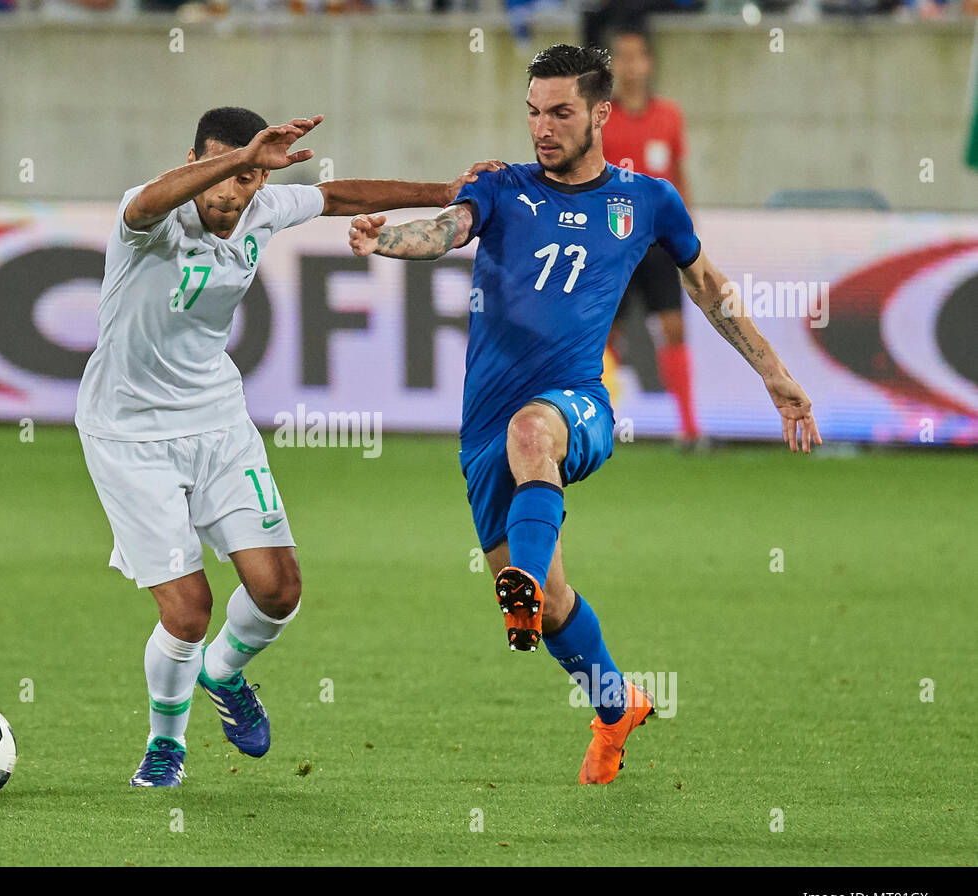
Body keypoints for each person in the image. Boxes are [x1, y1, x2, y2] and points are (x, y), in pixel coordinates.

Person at [348, 45, 820, 785]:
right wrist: (391, 238)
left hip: (576, 405)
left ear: (601, 112)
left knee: (532, 433)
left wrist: (775, 373)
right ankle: (614, 704)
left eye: (561, 112)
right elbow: (445, 230)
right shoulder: (501, 189)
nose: (543, 127)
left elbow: (705, 284)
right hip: (484, 433)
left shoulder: (648, 202)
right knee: (555, 600)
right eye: (533, 111)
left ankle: (525, 589)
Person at [76, 107, 500, 787]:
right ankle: (166, 747)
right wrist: (239, 158)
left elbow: (339, 197)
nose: (229, 195)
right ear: (192, 162)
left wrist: (447, 192)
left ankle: (223, 675)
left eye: (246, 180)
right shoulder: (148, 216)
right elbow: (155, 196)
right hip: (128, 434)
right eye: (218, 175)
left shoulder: (259, 207)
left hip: (216, 419)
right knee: (188, 611)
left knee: (279, 590)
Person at [603, 25, 702, 447]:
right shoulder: (601, 118)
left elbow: (679, 179)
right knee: (604, 337)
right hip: (615, 244)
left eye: (636, 56)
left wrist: (688, 236)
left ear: (649, 63)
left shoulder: (669, 116)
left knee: (674, 328)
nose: (630, 66)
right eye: (621, 57)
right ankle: (594, 424)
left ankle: (689, 428)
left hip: (659, 243)